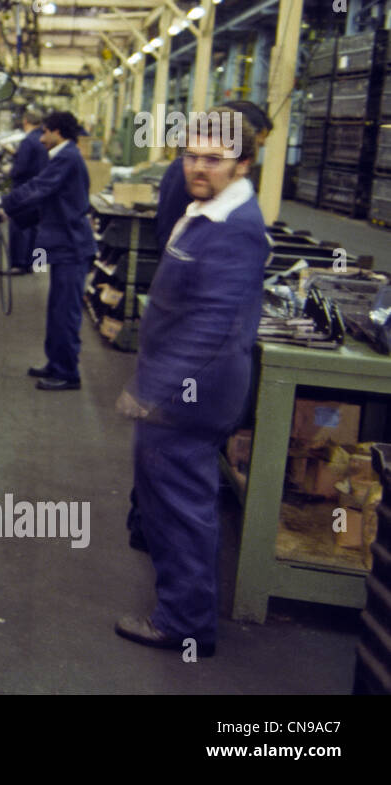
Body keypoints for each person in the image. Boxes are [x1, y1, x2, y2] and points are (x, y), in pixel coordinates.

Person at [114, 107, 270, 657]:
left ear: (244, 164)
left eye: (213, 159)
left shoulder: (234, 229)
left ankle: (184, 624)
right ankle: (181, 606)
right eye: (192, 156)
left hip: (191, 392)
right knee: (169, 499)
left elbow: (210, 328)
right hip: (183, 388)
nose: (198, 168)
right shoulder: (206, 209)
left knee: (181, 506)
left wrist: (152, 389)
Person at [0, 110, 96, 390]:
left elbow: (39, 188)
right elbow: (48, 202)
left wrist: (2, 201)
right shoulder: (65, 157)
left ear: (58, 132)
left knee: (65, 313)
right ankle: (56, 363)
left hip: (73, 248)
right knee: (57, 310)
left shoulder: (67, 158)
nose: (41, 139)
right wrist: (11, 215)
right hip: (65, 247)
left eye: (45, 132)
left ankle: (68, 373)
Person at [154, 100, 270, 250]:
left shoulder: (235, 217)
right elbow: (169, 228)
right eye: (257, 144)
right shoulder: (187, 172)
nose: (255, 152)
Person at [1, 108, 49, 275]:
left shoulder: (28, 140)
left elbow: (20, 169)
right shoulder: (42, 139)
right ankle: (34, 263)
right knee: (35, 228)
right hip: (38, 189)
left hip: (24, 189)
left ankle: (18, 264)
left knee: (19, 227)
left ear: (25, 121)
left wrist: (9, 171)